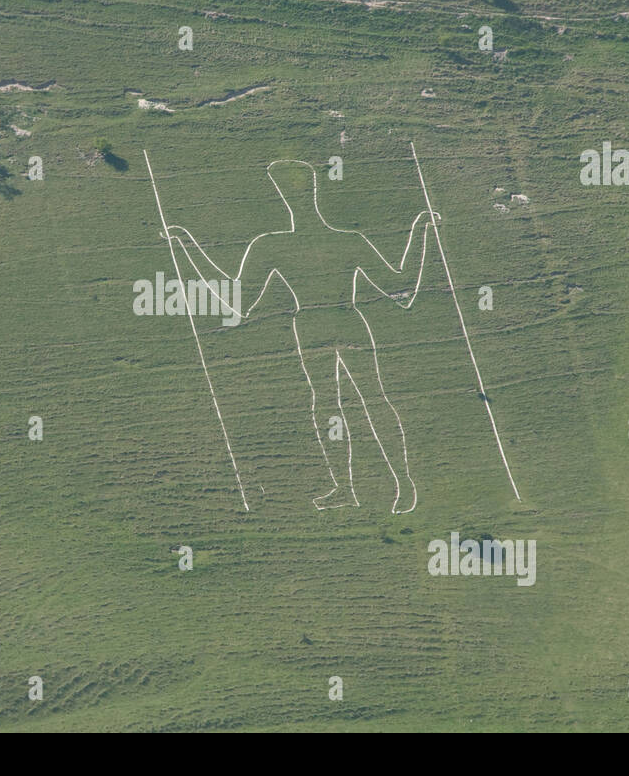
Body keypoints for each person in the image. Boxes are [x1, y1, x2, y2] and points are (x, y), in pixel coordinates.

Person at [163, 160, 432, 513]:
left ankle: (396, 484)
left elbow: (401, 290)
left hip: (333, 323)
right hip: (325, 325)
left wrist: (421, 230)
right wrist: (186, 246)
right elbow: (403, 290)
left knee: (364, 400)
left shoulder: (295, 244)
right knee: (336, 403)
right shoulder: (288, 245)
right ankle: (349, 487)